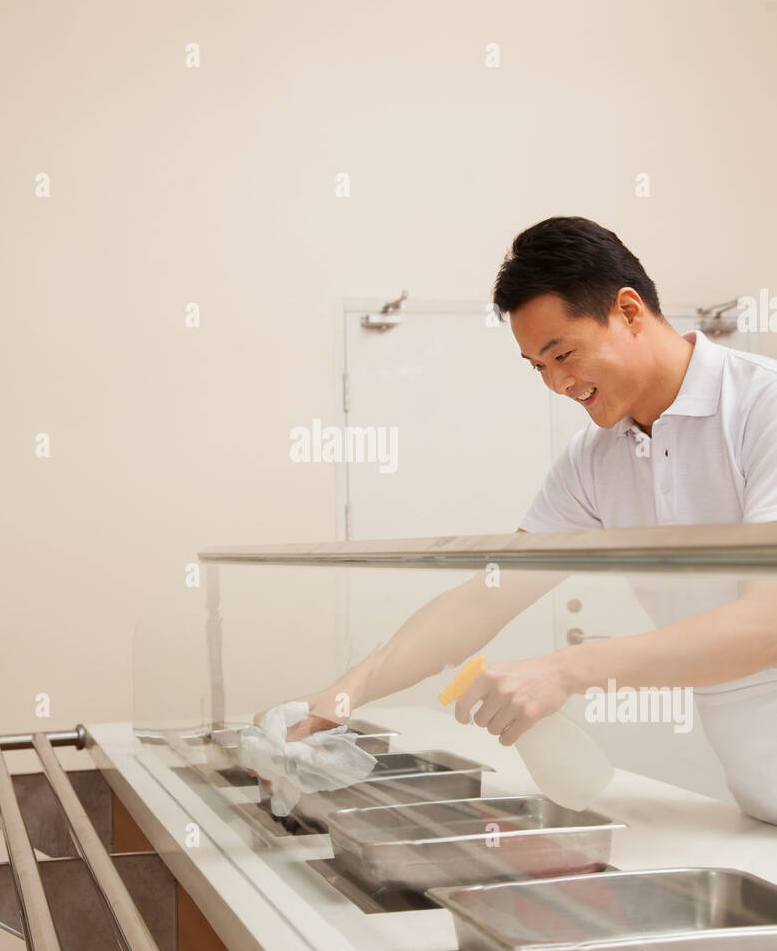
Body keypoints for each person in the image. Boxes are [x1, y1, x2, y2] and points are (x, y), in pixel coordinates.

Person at [274, 217, 777, 823]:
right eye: (538, 366)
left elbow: (764, 624)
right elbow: (483, 598)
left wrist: (566, 671)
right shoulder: (594, 460)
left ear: (629, 310)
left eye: (563, 354)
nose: (559, 384)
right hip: (758, 796)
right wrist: (341, 697)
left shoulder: (760, 409)